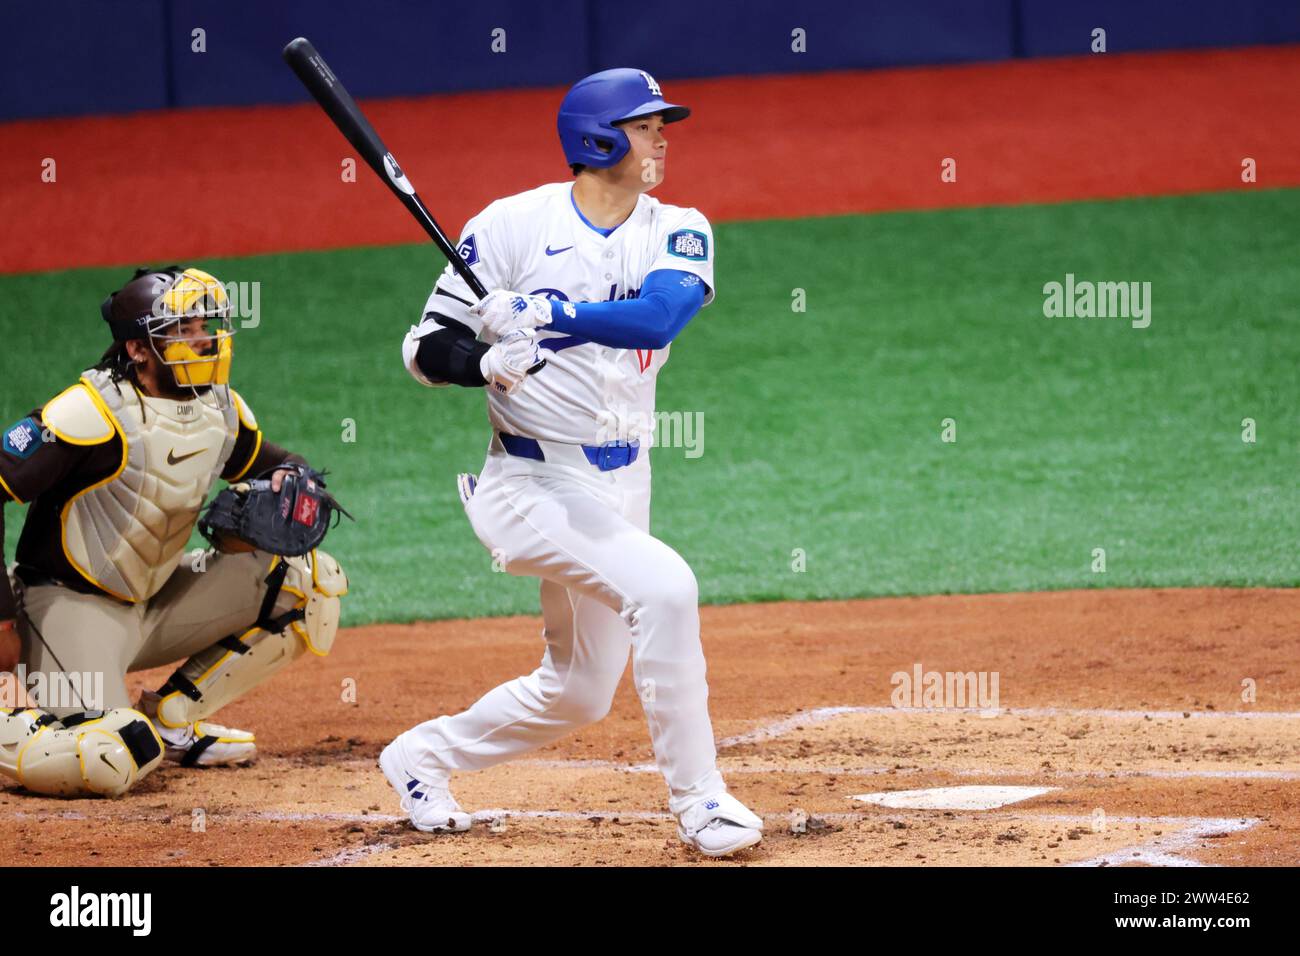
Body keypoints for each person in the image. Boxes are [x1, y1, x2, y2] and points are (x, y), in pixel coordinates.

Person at [382, 68, 763, 857]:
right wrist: (483, 364)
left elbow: (661, 312)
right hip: (529, 483)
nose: (664, 137)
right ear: (598, 139)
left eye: (662, 124)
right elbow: (425, 351)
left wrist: (550, 313)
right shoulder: (509, 228)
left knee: (581, 692)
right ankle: (703, 805)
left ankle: (422, 757)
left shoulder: (679, 226)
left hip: (623, 482)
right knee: (665, 588)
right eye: (647, 125)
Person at [0, 266, 347, 797]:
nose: (204, 337)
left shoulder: (220, 409)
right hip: (67, 609)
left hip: (156, 601)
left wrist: (290, 482)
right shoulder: (89, 414)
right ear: (138, 349)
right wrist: (2, 616)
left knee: (308, 585)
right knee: (109, 758)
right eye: (182, 328)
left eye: (205, 324)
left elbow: (276, 465)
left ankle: (174, 716)